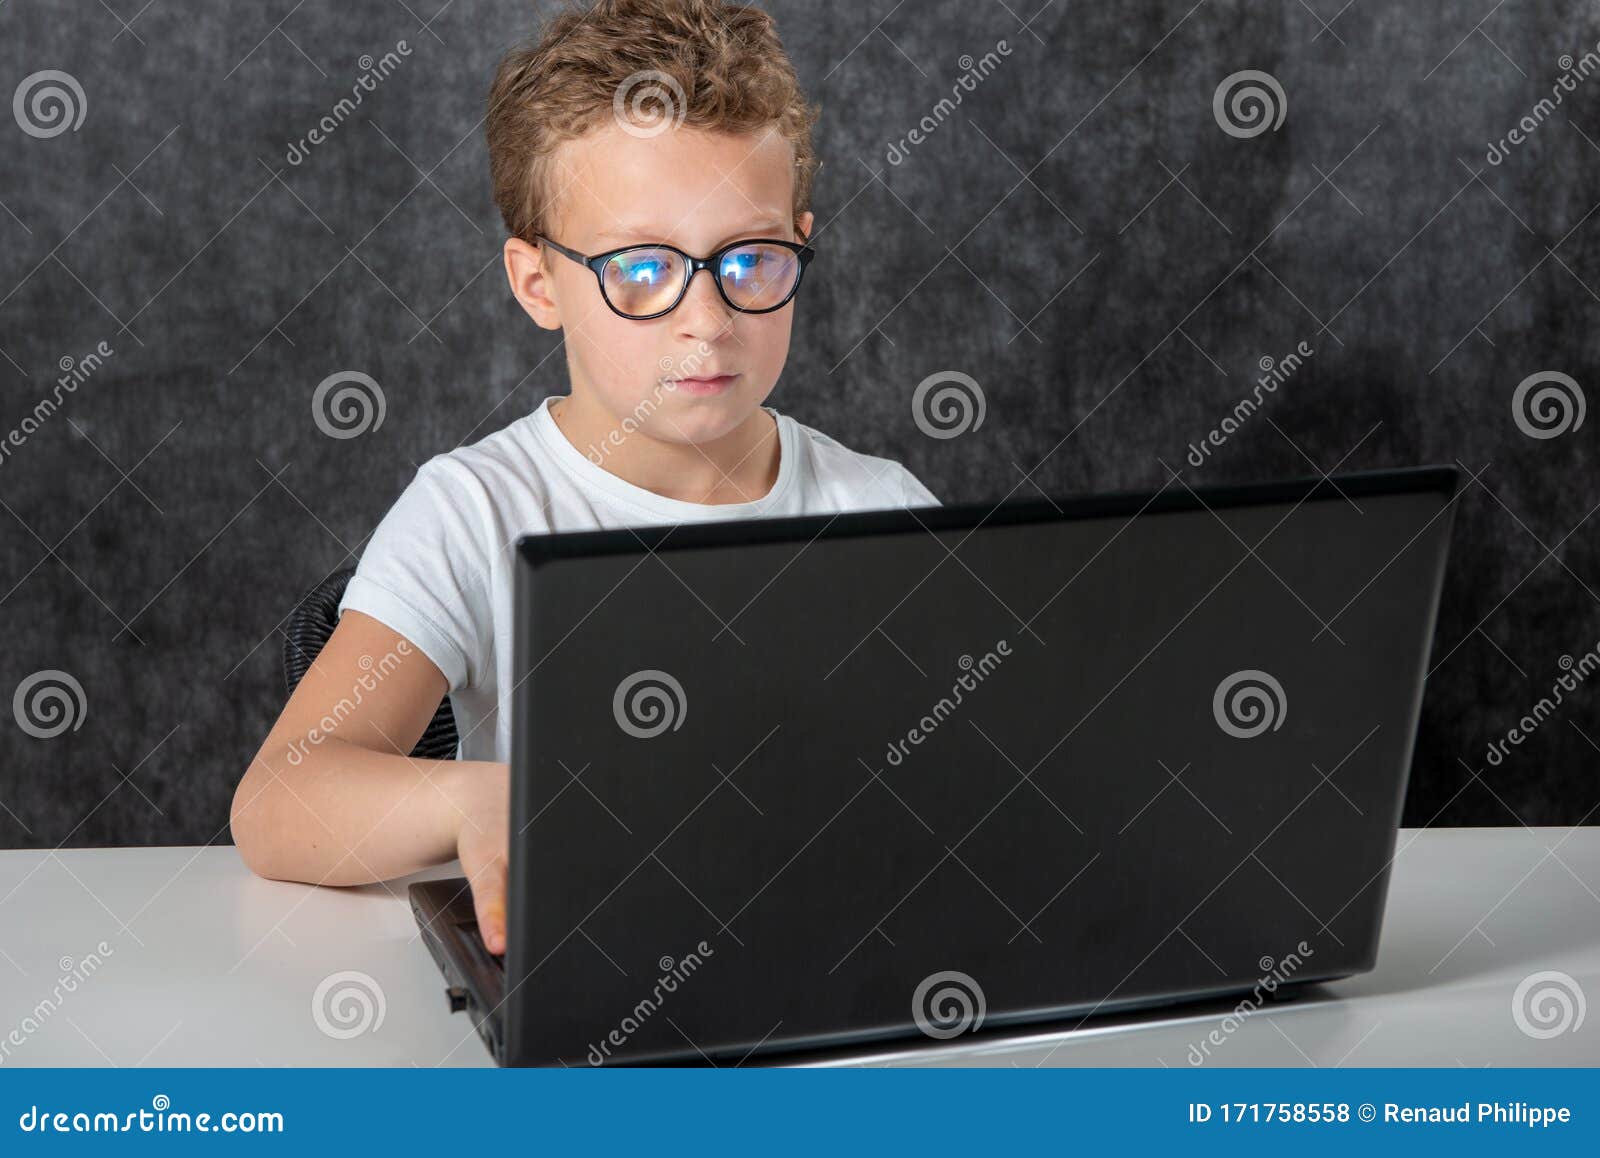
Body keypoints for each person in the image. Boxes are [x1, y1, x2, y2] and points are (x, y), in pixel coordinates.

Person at [231, 0, 940, 956]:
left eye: (752, 258)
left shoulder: (885, 510)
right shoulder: (477, 511)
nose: (708, 319)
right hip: (594, 987)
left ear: (799, 244)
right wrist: (490, 802)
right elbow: (282, 800)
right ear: (537, 285)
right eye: (643, 268)